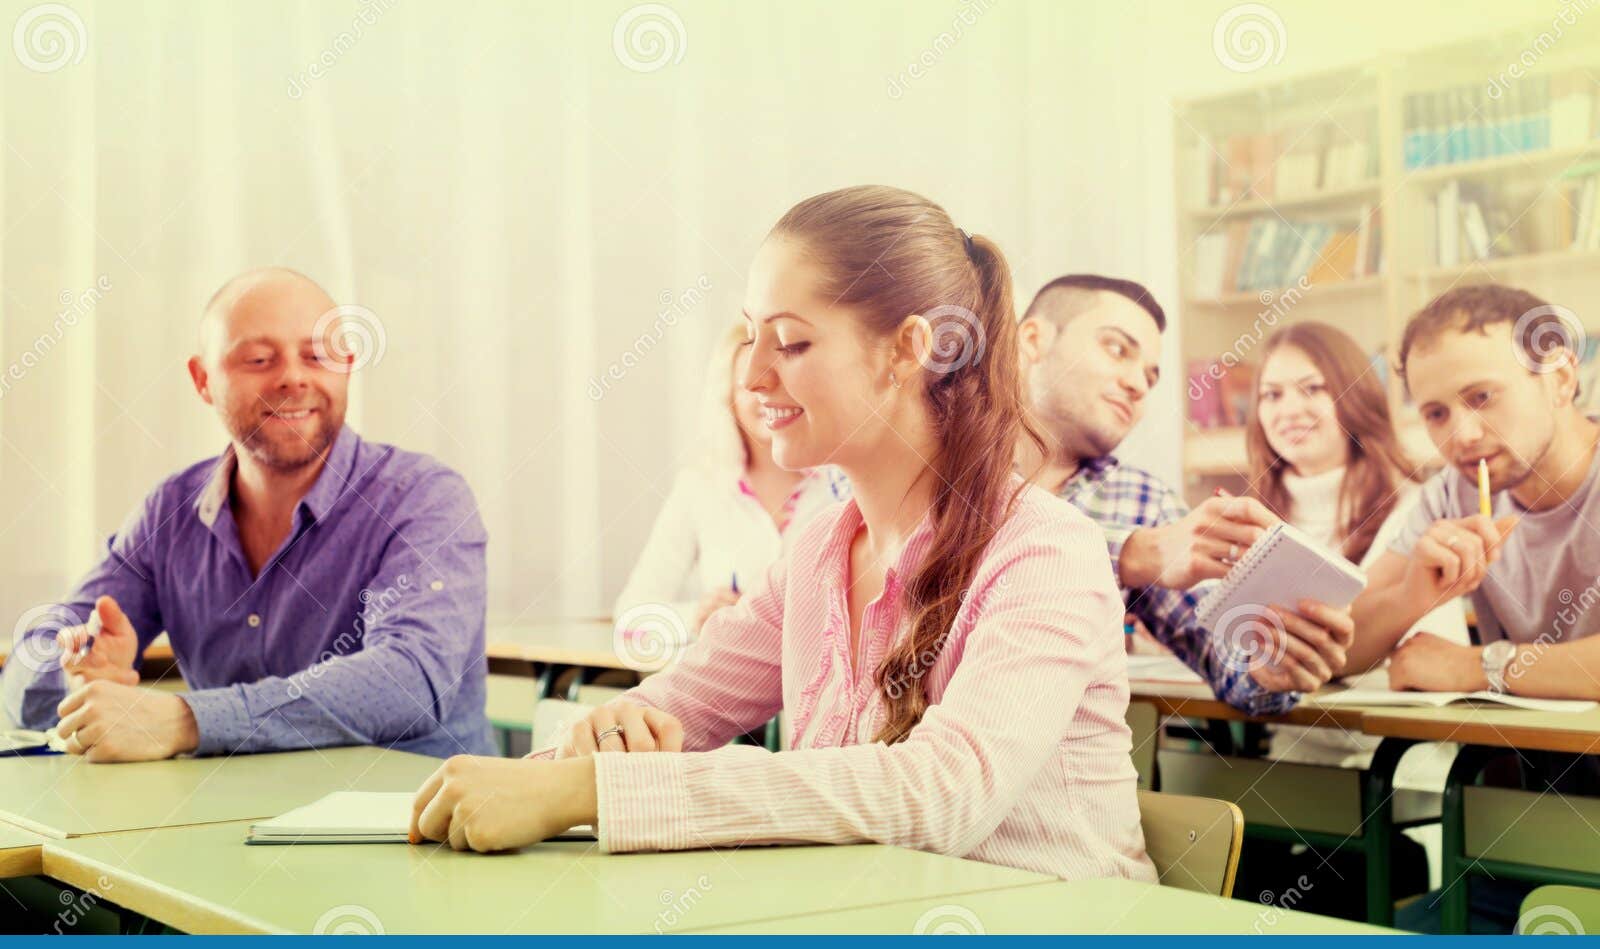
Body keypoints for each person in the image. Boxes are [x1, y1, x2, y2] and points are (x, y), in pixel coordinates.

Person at [408, 186, 1155, 883]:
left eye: (791, 343)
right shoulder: (818, 551)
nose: (752, 376)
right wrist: (572, 758)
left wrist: (592, 791)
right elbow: (678, 704)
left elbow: (942, 794)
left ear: (908, 350)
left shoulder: (1046, 551)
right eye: (751, 337)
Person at [2, 267, 493, 761]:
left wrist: (188, 720)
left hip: (410, 806)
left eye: (317, 356)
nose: (293, 377)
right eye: (259, 359)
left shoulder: (425, 498)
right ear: (203, 380)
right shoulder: (169, 511)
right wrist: (78, 679)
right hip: (224, 807)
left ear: (345, 366)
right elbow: (26, 674)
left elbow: (408, 680)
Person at [1343, 284, 1600, 931]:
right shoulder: (1450, 494)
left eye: (1482, 397)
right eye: (1435, 413)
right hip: (1535, 834)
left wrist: (1474, 666)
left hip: (1564, 839)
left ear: (1560, 377)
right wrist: (1413, 594)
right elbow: (1341, 644)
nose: (1461, 434)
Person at [1013, 274, 1355, 715]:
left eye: (1150, 377)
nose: (1138, 385)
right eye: (1117, 349)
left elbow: (1224, 653)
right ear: (1034, 340)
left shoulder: (1145, 502)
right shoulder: (946, 459)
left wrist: (1269, 666)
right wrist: (1130, 554)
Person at [1243, 321, 1468, 769]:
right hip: (1294, 757)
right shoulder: (1252, 519)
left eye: (1312, 389)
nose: (1289, 409)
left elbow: (1427, 665)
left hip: (1397, 762)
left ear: (1354, 397)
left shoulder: (1416, 509)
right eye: (1272, 395)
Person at [613, 323, 846, 634]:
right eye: (752, 385)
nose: (770, 395)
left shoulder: (842, 484)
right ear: (727, 397)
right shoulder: (699, 487)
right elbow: (631, 612)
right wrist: (698, 616)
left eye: (782, 379)